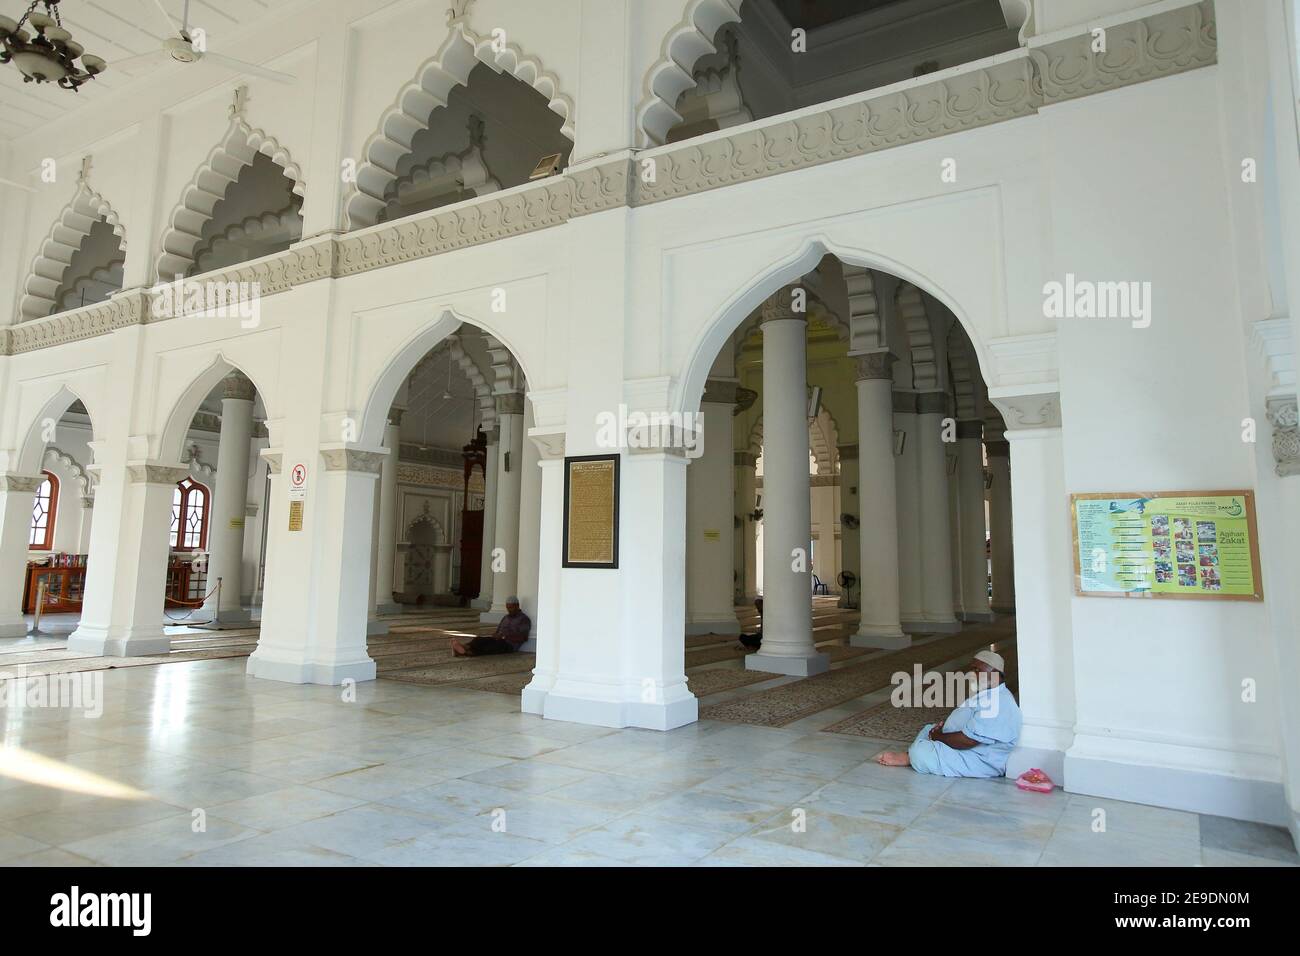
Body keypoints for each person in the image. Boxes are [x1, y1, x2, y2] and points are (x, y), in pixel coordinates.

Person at [875, 649, 1021, 777]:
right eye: (972, 669)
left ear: (996, 674)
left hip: (979, 758)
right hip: (966, 747)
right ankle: (910, 756)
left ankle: (911, 757)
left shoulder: (999, 702)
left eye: (978, 670)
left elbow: (968, 741)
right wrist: (944, 729)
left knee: (921, 752)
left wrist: (939, 736)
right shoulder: (988, 693)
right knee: (928, 729)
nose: (972, 674)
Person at [451, 597, 531, 657]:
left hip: (510, 645)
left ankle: (463, 652)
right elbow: (497, 632)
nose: (509, 610)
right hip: (499, 639)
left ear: (517, 606)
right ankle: (464, 647)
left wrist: (504, 636)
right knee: (479, 639)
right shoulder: (506, 618)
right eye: (507, 607)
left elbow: (523, 637)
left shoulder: (524, 619)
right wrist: (495, 635)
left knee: (489, 647)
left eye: (511, 607)